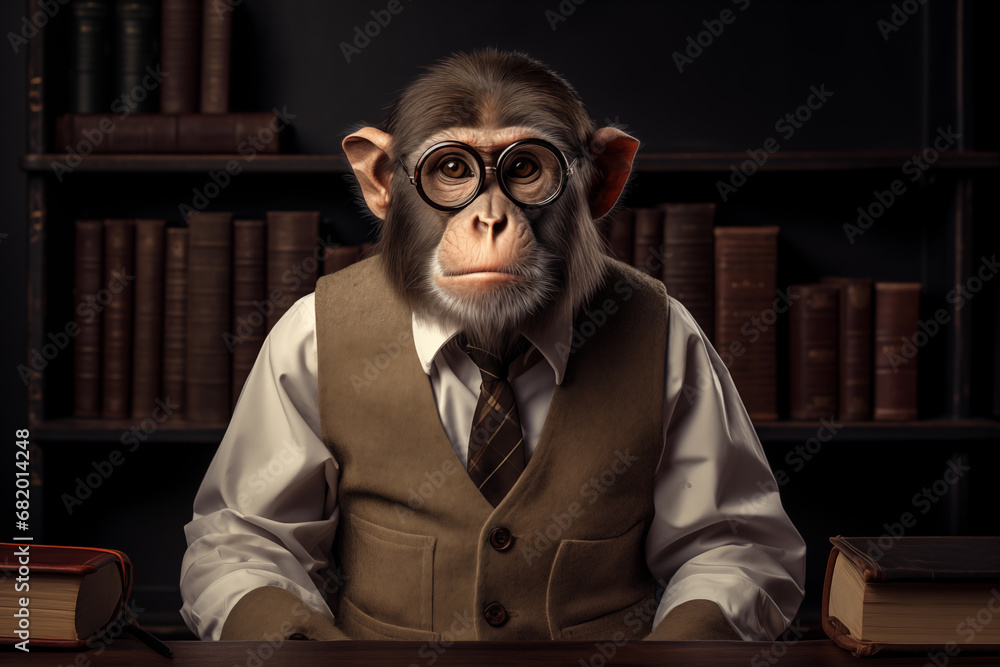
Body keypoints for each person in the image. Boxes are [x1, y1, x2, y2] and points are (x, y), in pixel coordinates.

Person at [179, 49, 805, 643]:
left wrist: (682, 654)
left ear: (599, 182)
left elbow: (732, 546)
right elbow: (243, 543)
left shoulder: (659, 332)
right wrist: (297, 651)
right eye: (452, 169)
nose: (490, 214)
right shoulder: (318, 331)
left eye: (526, 169)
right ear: (382, 183)